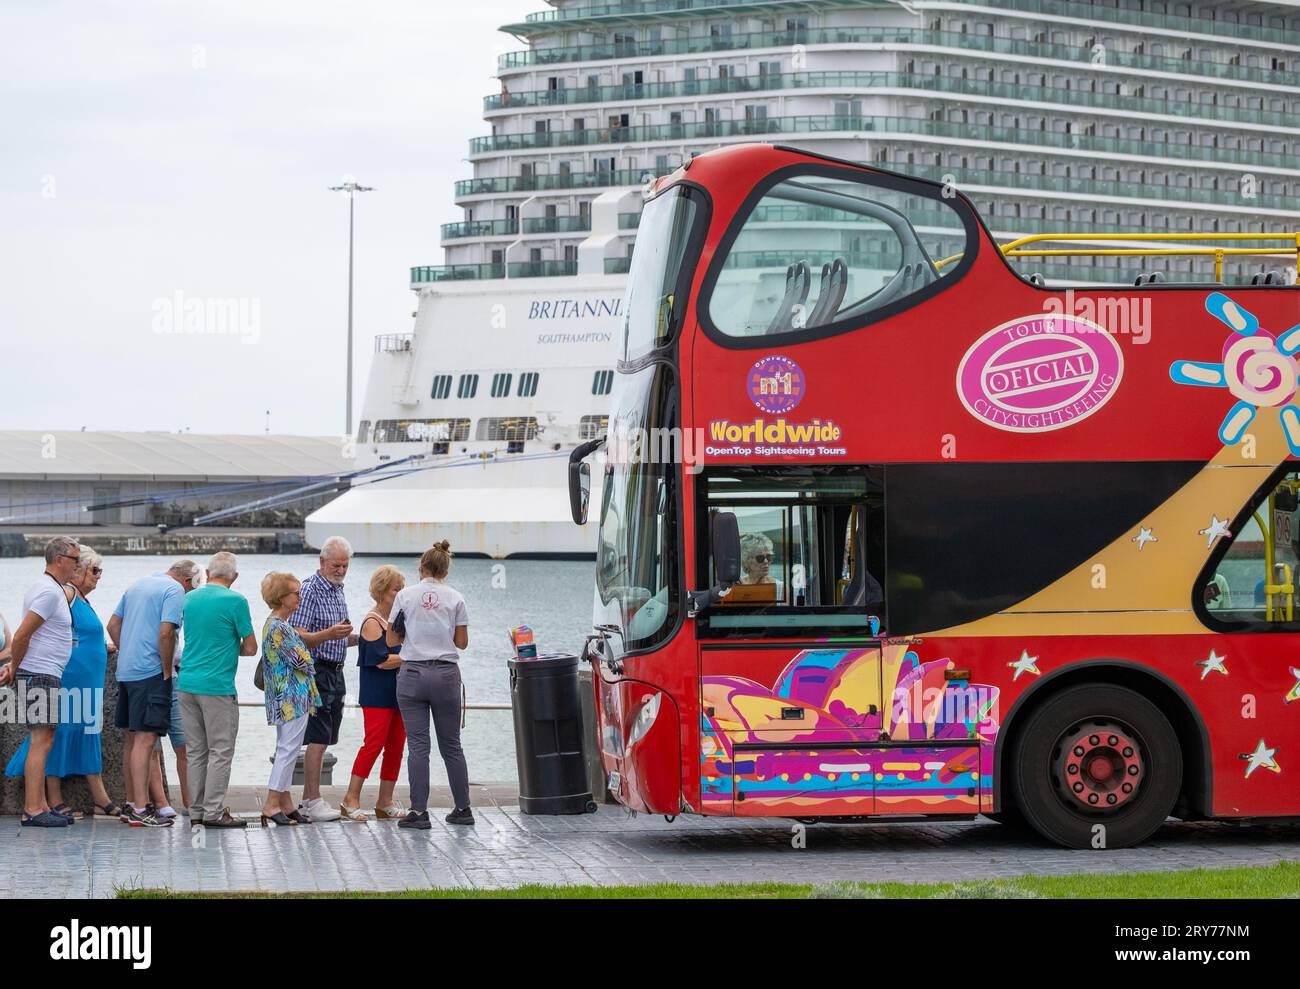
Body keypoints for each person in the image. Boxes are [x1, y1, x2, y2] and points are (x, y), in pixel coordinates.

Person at [4, 546, 120, 819]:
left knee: (79, 733)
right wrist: (13, 664)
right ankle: (45, 804)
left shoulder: (74, 596)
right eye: (93, 570)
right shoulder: (64, 592)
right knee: (54, 736)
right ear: (73, 568)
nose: (97, 576)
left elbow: (67, 633)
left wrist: (102, 646)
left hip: (82, 678)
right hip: (66, 677)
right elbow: (28, 634)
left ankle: (69, 802)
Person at [106, 559, 199, 828]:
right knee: (146, 740)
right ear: (188, 580)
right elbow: (166, 633)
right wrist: (167, 669)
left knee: (132, 740)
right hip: (151, 673)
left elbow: (113, 625)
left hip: (126, 671)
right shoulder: (174, 591)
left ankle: (129, 803)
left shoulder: (138, 585)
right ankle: (139, 808)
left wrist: (129, 651)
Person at [391, 540, 473, 828]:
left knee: (418, 745)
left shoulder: (404, 596)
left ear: (421, 567)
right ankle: (463, 808)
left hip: (413, 673)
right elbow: (461, 643)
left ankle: (418, 811)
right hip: (447, 674)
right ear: (445, 570)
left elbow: (392, 639)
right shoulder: (456, 598)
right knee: (452, 745)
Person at [0, 537, 81, 827]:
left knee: (45, 739)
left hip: (43, 673)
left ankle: (42, 804)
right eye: (75, 559)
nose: (78, 565)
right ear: (59, 559)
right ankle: (33, 809)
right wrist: (15, 666)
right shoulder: (48, 592)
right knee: (41, 740)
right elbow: (21, 635)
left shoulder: (49, 589)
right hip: (39, 674)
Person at [178, 551, 256, 828]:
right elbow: (251, 647)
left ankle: (196, 810)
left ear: (208, 574)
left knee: (196, 751)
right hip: (217, 686)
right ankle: (213, 812)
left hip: (186, 683)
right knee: (221, 751)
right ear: (234, 577)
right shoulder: (236, 601)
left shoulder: (188, 598)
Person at [289, 536, 357, 822]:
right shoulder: (310, 590)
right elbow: (296, 636)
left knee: (327, 736)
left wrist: (363, 638)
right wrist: (329, 634)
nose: (341, 570)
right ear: (321, 561)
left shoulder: (338, 590)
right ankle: (310, 800)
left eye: (345, 565)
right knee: (317, 736)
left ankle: (312, 799)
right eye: (336, 565)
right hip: (316, 670)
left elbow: (338, 637)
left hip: (336, 670)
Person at [339, 565, 407, 821]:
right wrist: (410, 656)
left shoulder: (395, 621)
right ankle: (350, 798)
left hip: (399, 694)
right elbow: (381, 661)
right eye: (395, 589)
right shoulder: (372, 622)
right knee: (373, 744)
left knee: (396, 747)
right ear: (381, 591)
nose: (399, 594)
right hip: (378, 695)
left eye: (402, 589)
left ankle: (385, 801)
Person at [260, 572, 322, 827]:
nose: (300, 596)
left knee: (289, 747)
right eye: (296, 593)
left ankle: (285, 803)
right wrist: (308, 657)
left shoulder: (274, 624)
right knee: (288, 750)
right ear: (282, 598)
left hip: (285, 696)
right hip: (291, 697)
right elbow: (301, 661)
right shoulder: (280, 628)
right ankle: (271, 804)